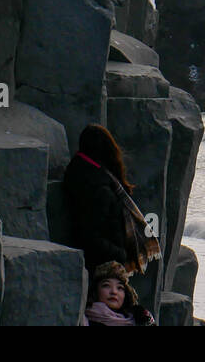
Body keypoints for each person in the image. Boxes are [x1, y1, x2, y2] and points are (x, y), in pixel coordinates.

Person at [62, 124, 161, 276]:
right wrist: (120, 254)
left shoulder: (80, 174)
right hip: (104, 266)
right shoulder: (100, 187)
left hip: (96, 262)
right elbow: (90, 234)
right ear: (109, 150)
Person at [82, 261, 156, 326]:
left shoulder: (141, 318)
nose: (114, 292)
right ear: (96, 291)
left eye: (119, 288)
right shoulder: (82, 319)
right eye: (106, 285)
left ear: (126, 293)